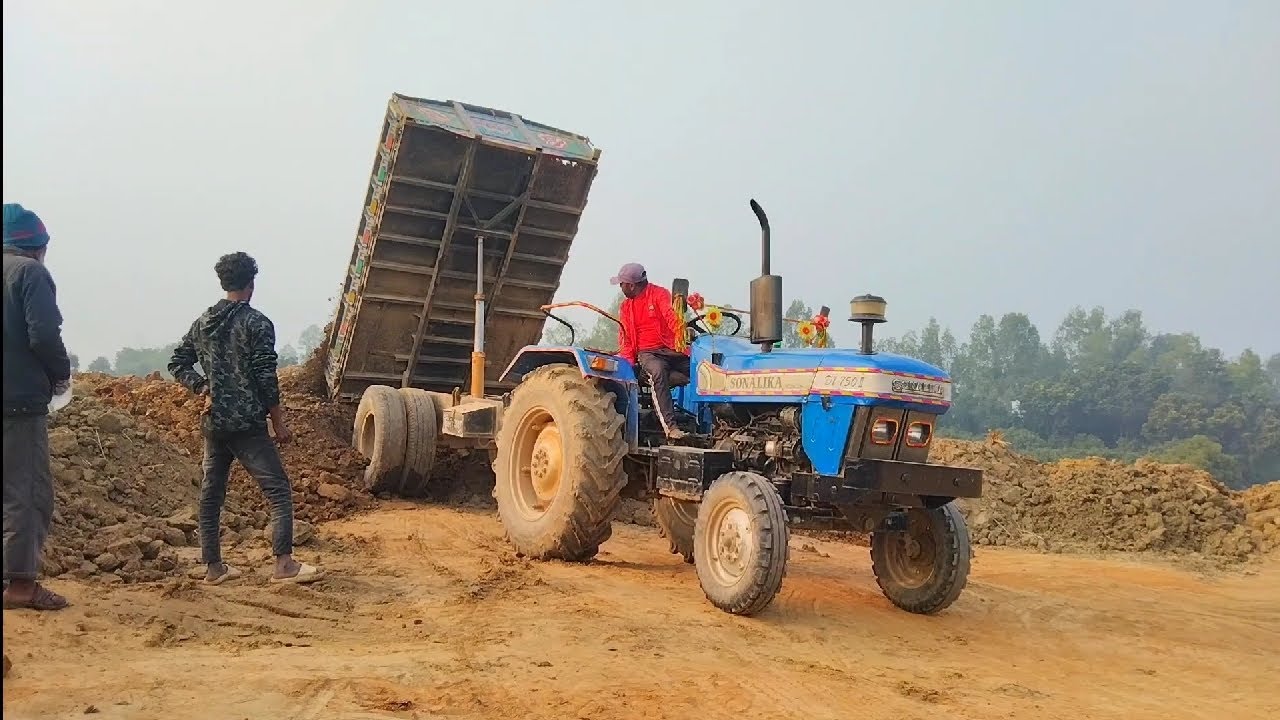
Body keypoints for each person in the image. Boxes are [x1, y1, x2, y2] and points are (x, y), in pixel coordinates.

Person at [168, 252, 324, 585]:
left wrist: (203, 387)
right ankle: (284, 565)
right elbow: (266, 377)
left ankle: (214, 568)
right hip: (247, 424)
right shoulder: (257, 323)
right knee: (278, 490)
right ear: (251, 284)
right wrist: (278, 423)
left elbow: (177, 363)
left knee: (211, 495)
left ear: (224, 283)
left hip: (214, 423)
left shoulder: (203, 323)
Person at [2, 203, 72, 611]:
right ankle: (21, 586)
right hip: (17, 402)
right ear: (37, 245)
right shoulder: (29, 273)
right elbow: (44, 334)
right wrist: (60, 374)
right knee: (26, 492)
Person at [612, 262, 690, 439]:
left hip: (670, 350)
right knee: (657, 371)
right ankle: (671, 428)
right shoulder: (626, 307)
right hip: (647, 353)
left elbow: (671, 316)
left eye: (621, 283)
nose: (620, 287)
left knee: (700, 368)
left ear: (631, 285)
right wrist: (628, 366)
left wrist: (681, 333)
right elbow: (626, 339)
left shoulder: (659, 294)